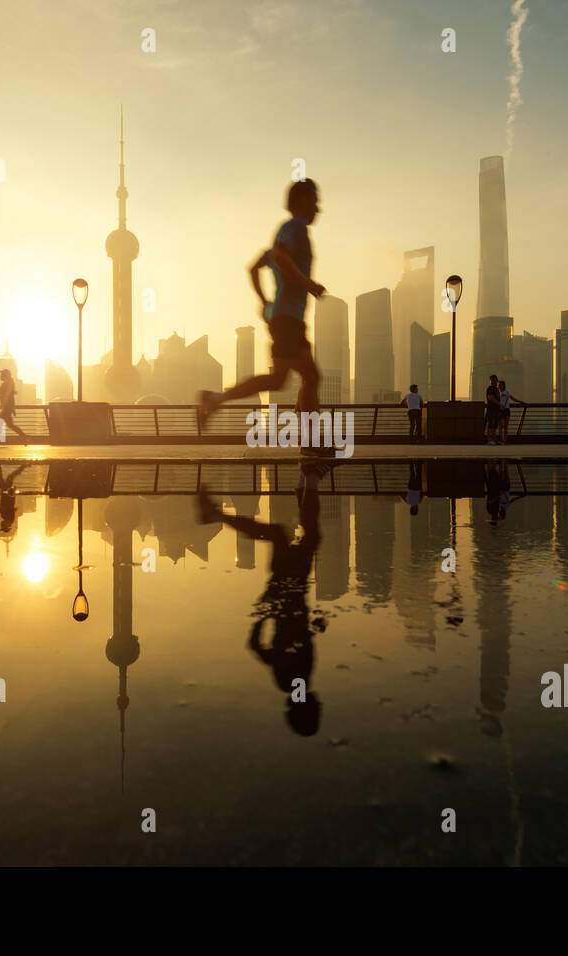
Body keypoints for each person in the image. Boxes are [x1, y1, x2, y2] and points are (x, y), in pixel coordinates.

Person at [196, 461, 330, 736]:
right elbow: (272, 645)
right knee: (296, 535)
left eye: (314, 711)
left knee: (299, 535)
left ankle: (309, 480)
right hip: (290, 591)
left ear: (304, 709)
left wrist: (266, 608)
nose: (318, 706)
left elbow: (260, 645)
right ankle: (306, 484)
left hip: (287, 587)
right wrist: (310, 625)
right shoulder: (295, 681)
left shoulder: (290, 680)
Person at [199, 179, 325, 431]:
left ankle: (214, 399)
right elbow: (280, 257)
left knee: (281, 380)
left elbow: (255, 267)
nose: (318, 208)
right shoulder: (296, 228)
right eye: (314, 200)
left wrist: (264, 301)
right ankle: (310, 438)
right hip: (287, 318)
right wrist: (308, 284)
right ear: (301, 201)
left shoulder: (283, 234)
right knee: (310, 376)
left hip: (285, 318)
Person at [0, 368, 28, 444]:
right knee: (10, 425)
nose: (0, 376)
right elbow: (11, 398)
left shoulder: (5, 384)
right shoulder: (10, 384)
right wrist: (13, 409)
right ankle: (24, 436)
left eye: (2, 374)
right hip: (8, 408)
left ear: (5, 375)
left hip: (6, 408)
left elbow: (0, 396)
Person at [484, 374, 502, 445]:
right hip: (491, 409)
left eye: (493, 380)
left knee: (494, 425)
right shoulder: (490, 388)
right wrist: (500, 404)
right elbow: (490, 397)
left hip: (496, 410)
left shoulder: (497, 389)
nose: (492, 382)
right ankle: (489, 440)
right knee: (491, 425)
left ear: (496, 381)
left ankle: (494, 440)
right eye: (491, 380)